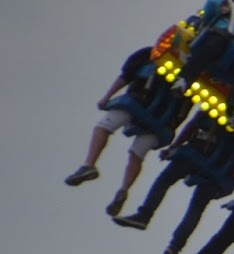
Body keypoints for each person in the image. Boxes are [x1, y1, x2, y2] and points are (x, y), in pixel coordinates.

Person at [111, 113, 234, 254]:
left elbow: (193, 124)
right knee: (197, 207)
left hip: (200, 152)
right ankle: (174, 248)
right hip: (222, 167)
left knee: (165, 180)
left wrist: (174, 146)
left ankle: (145, 215)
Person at [65, 46, 191, 217]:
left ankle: (88, 165)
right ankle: (124, 189)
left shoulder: (151, 53)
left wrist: (106, 97)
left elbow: (125, 76)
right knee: (137, 153)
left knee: (104, 126)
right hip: (162, 121)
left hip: (137, 102)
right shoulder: (196, 73)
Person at [182, 0, 234, 121]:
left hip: (229, 60)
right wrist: (224, 4)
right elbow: (211, 5)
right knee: (220, 39)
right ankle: (184, 79)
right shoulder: (218, 16)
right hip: (211, 44)